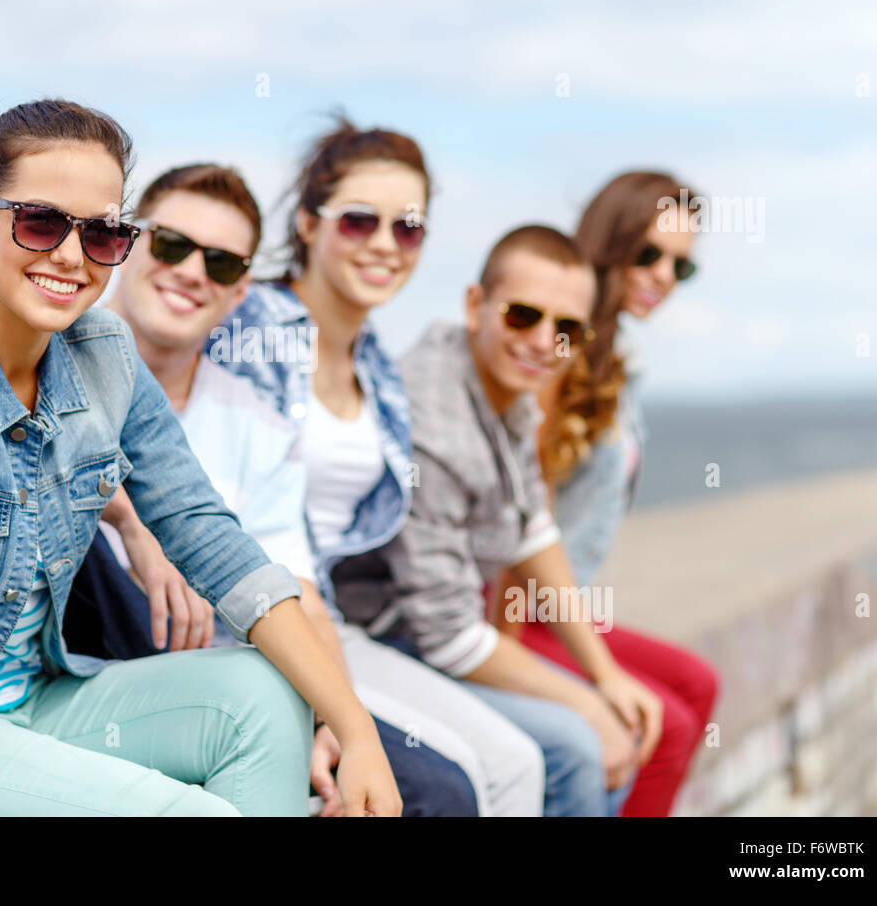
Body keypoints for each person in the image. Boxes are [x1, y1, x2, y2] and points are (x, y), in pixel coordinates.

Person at [0, 99, 399, 817]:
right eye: (40, 222)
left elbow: (212, 538)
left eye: (101, 233)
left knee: (268, 691)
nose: (69, 255)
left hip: (34, 702)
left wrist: (356, 728)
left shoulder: (107, 359)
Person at [63, 161, 489, 816]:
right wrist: (130, 520)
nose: (193, 272)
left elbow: (301, 593)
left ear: (241, 293)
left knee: (438, 792)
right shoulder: (53, 355)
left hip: (221, 662)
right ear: (128, 243)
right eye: (172, 245)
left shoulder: (257, 424)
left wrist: (332, 718)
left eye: (222, 264)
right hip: (88, 655)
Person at [204, 117, 547, 816]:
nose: (386, 244)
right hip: (252, 624)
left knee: (515, 765)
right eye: (360, 221)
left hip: (336, 622)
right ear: (309, 223)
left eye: (408, 227)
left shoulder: (379, 367)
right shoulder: (250, 329)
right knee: (451, 787)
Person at [336, 224, 664, 817]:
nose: (542, 342)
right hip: (379, 637)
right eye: (523, 316)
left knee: (616, 725)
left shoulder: (503, 386)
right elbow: (447, 636)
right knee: (577, 748)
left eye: (566, 329)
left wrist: (605, 676)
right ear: (474, 305)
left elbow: (533, 528)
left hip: (433, 630)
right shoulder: (433, 424)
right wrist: (587, 704)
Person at [498, 172, 721, 816]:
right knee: (665, 726)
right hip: (515, 613)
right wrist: (508, 657)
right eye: (648, 254)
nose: (662, 276)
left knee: (696, 683)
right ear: (609, 242)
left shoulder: (616, 357)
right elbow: (521, 512)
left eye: (680, 266)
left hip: (557, 609)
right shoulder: (555, 349)